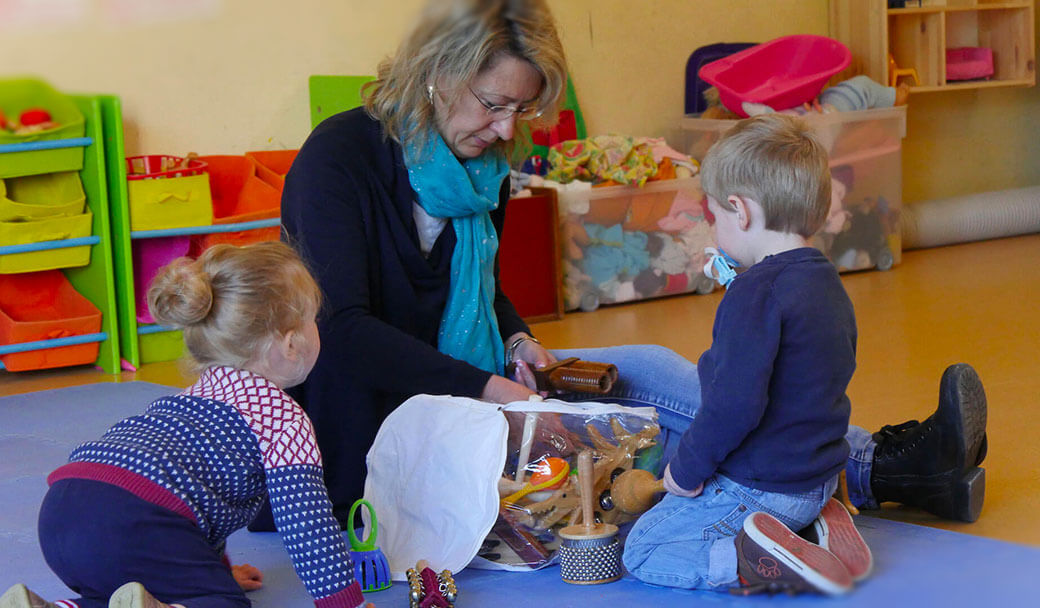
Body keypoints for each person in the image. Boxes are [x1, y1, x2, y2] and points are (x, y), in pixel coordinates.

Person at [280, 0, 987, 532]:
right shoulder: (339, 159)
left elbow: (480, 294)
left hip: (466, 378)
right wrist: (491, 386)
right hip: (374, 422)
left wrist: (520, 341)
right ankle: (879, 469)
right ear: (436, 73)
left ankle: (882, 467)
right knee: (648, 425)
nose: (504, 130)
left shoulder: (481, 169)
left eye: (520, 110)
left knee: (639, 370)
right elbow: (342, 331)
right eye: (493, 105)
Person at [621, 114, 987, 596]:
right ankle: (814, 527)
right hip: (817, 480)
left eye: (713, 217)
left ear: (740, 210)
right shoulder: (826, 281)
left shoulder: (754, 294)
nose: (714, 230)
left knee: (644, 547)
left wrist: (685, 473)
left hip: (762, 487)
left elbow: (731, 407)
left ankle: (757, 563)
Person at [0, 242, 367, 608]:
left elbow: (193, 502)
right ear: (290, 344)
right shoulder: (283, 419)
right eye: (313, 320)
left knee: (121, 586)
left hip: (63, 511)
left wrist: (211, 573)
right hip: (135, 519)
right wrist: (344, 604)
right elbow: (308, 527)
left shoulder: (189, 398)